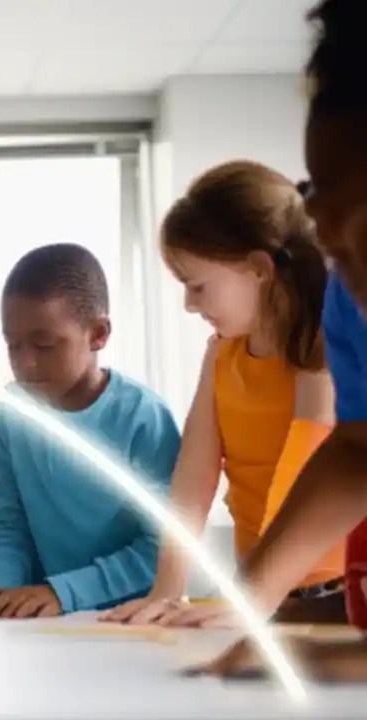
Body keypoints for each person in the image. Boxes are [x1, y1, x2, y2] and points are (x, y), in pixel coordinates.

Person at [199, 0, 367, 681]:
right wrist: (248, 604)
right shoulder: (349, 305)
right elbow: (356, 451)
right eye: (310, 189)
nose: (317, 221)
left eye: (341, 195)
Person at [101, 161, 345, 628]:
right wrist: (168, 590)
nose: (190, 305)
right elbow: (193, 480)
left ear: (258, 269)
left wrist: (253, 597)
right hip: (261, 589)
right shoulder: (220, 357)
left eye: (197, 286)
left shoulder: (321, 354)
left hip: (326, 597)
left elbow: (300, 478)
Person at [0, 244, 181, 618]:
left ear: (98, 334)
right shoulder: (13, 412)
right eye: (13, 346)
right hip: (46, 623)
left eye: (44, 345)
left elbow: (167, 547)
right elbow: (12, 519)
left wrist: (63, 592)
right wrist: (2, 593)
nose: (25, 363)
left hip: (132, 618)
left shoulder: (143, 418)